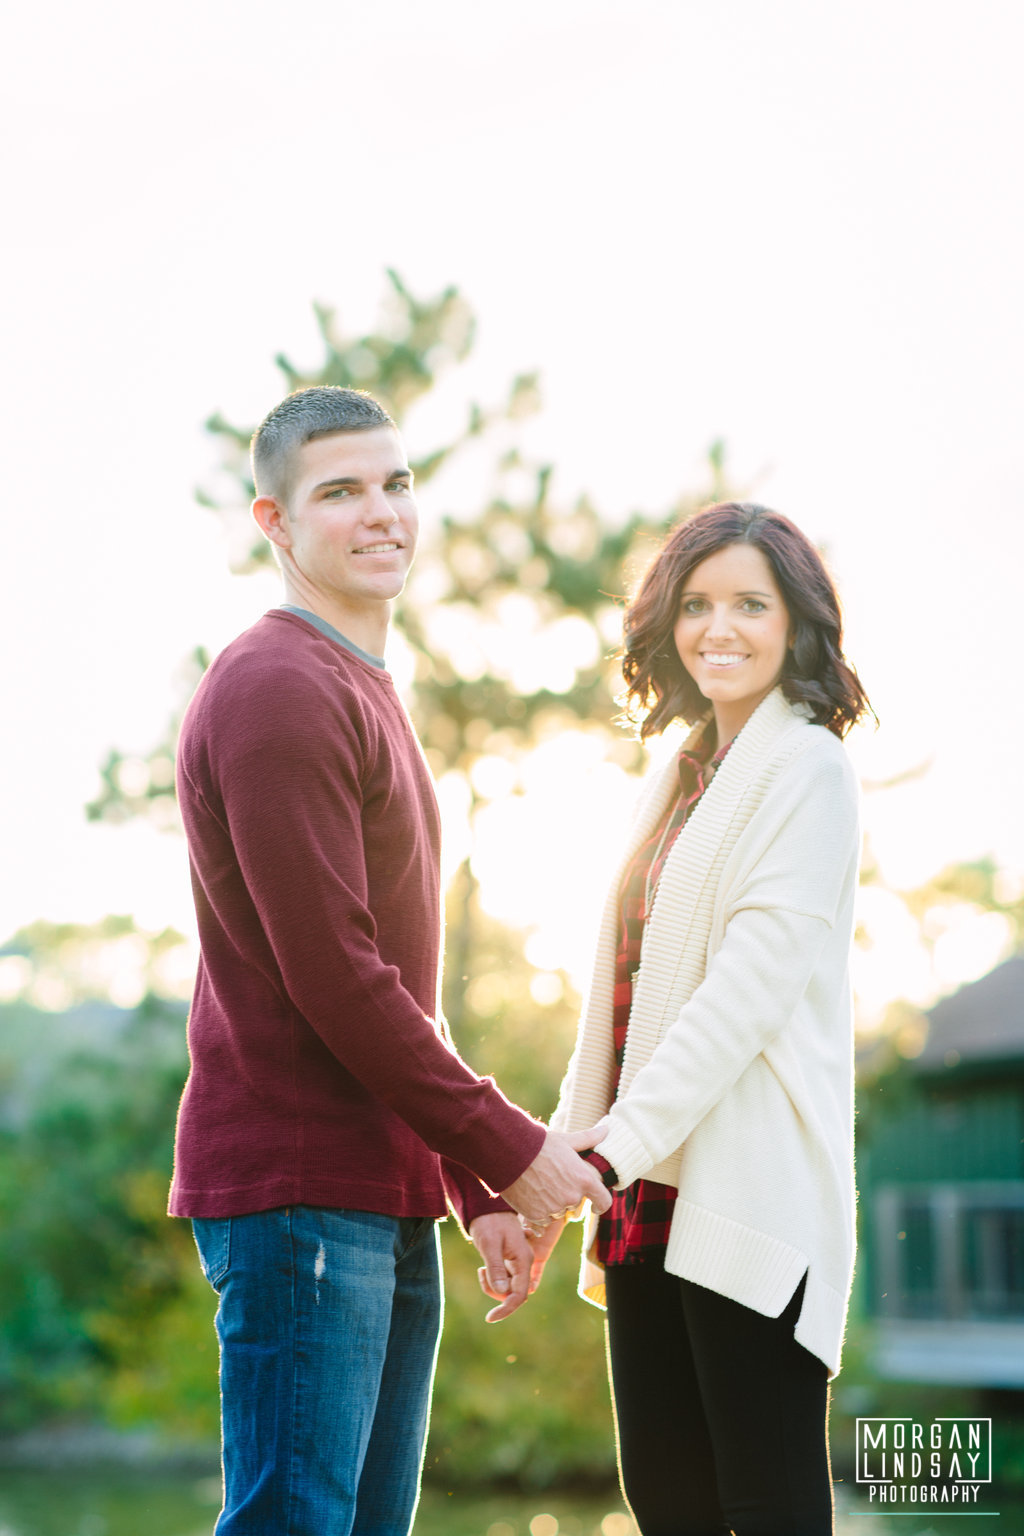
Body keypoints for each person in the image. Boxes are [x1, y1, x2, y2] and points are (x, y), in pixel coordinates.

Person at [169, 385, 609, 1536]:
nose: (382, 513)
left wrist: (468, 1184)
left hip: (376, 1186)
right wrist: (513, 1149)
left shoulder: (359, 686)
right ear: (274, 521)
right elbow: (335, 980)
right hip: (302, 1192)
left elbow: (393, 990)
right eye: (341, 491)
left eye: (397, 483)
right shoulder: (277, 687)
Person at [533, 503, 871, 1536]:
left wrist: (607, 1151)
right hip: (639, 1203)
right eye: (696, 604)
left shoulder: (809, 769)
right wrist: (555, 1157)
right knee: (669, 1510)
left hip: (747, 1197)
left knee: (765, 1510)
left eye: (749, 605)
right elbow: (618, 1006)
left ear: (797, 624)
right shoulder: (676, 774)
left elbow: (740, 999)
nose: (718, 628)